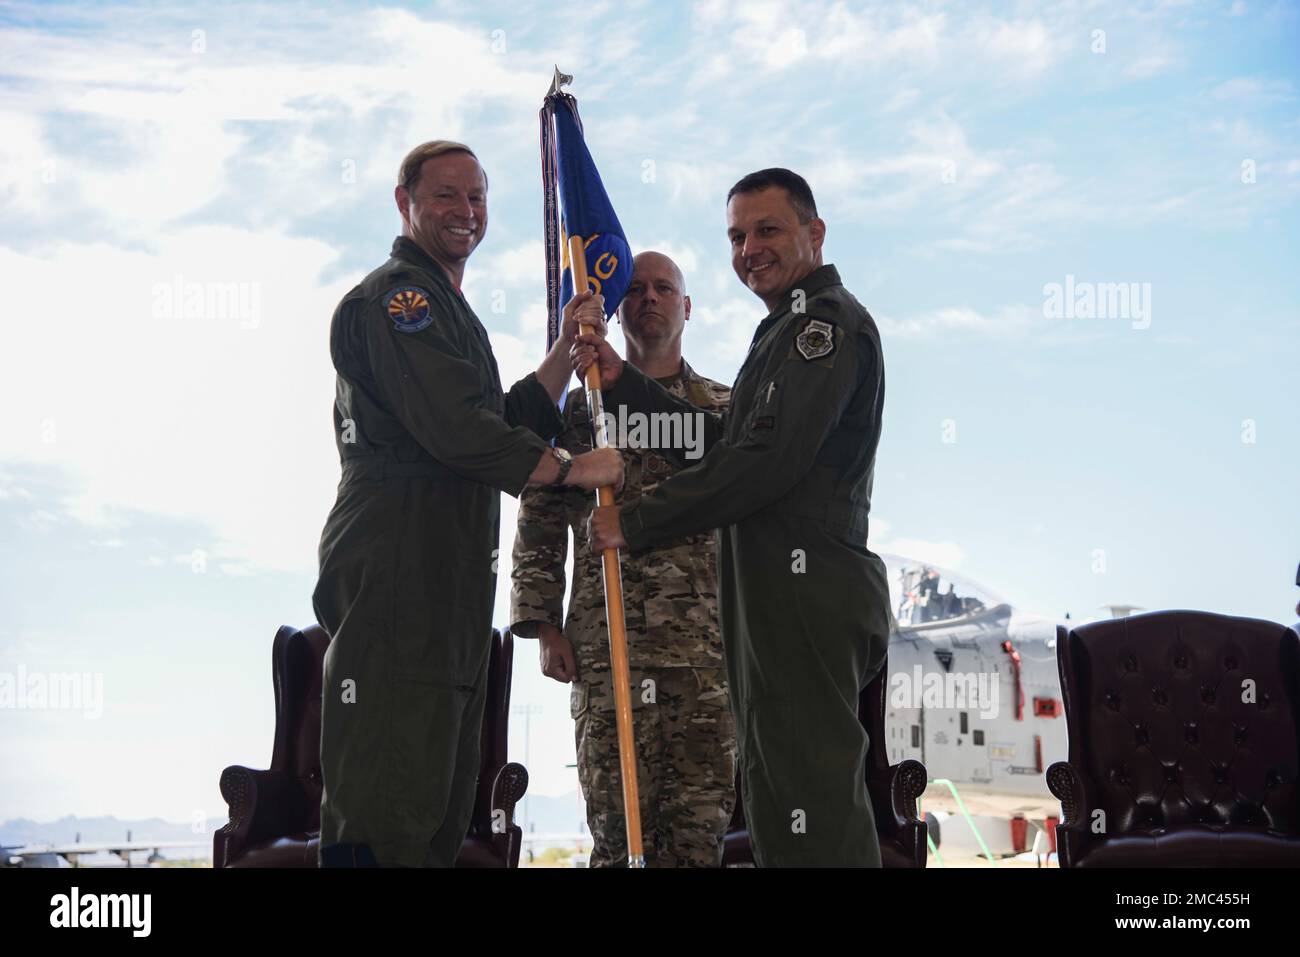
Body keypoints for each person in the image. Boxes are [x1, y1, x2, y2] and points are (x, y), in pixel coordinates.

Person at [313, 139, 622, 868]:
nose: (466, 212)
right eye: (446, 196)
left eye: (477, 197)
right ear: (405, 203)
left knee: (434, 810)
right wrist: (573, 468)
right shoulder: (400, 300)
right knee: (388, 808)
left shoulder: (451, 312)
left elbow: (495, 420)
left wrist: (561, 355)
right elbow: (459, 431)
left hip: (446, 584)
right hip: (398, 571)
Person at [574, 168, 892, 866]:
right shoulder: (780, 330)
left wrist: (640, 519)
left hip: (807, 592)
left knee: (813, 797)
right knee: (782, 801)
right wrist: (625, 384)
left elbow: (767, 462)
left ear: (815, 233)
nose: (749, 248)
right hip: (769, 595)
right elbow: (721, 444)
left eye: (768, 229)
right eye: (737, 236)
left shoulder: (822, 325)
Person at [511, 252, 736, 867]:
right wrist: (542, 622)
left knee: (697, 834)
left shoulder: (722, 408)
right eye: (635, 289)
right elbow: (540, 516)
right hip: (605, 645)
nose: (650, 298)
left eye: (665, 288)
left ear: (687, 308)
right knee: (617, 832)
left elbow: (745, 501)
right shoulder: (579, 412)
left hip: (703, 654)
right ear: (617, 307)